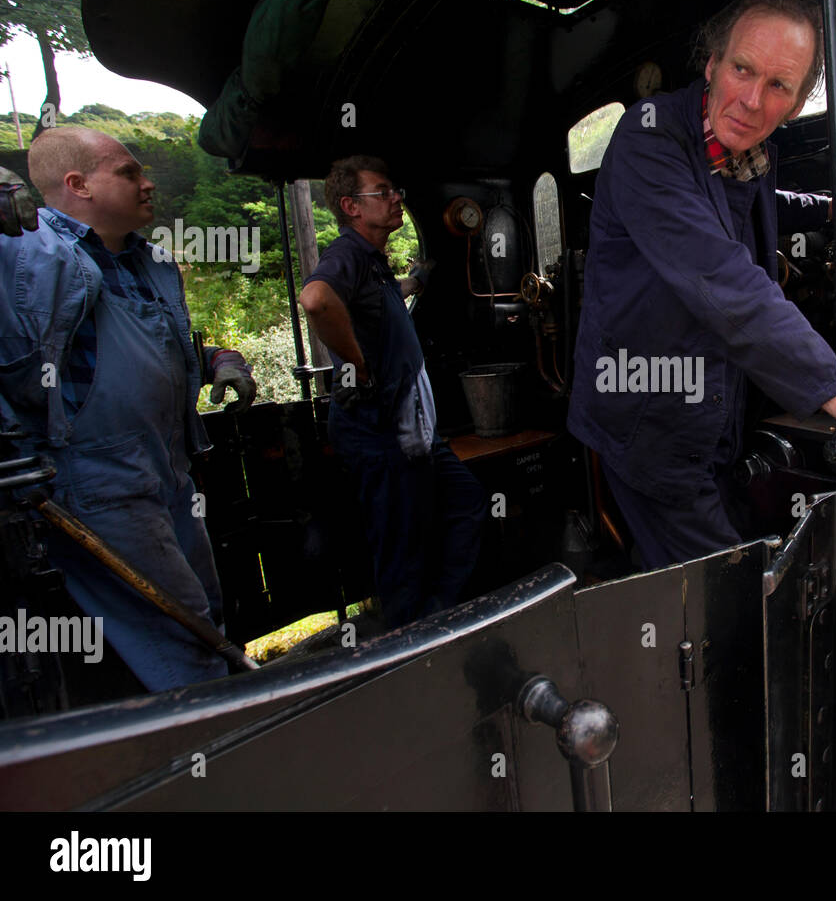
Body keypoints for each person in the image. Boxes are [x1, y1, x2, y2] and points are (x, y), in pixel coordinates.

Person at [568, 0, 836, 569]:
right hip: (649, 422)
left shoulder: (741, 149)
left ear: (797, 105)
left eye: (778, 85)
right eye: (742, 69)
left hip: (717, 409)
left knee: (735, 561)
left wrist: (832, 206)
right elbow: (724, 281)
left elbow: (759, 197)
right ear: (712, 64)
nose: (751, 100)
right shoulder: (649, 140)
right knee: (720, 599)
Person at [0, 128, 258, 691]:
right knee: (181, 636)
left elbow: (160, 342)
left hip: (167, 467)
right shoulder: (26, 256)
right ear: (77, 184)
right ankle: (209, 756)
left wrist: (217, 359)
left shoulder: (150, 261)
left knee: (206, 615)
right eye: (129, 173)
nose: (149, 182)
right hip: (97, 481)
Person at [300, 155, 486, 627]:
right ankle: (406, 649)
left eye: (395, 190)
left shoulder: (372, 263)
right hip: (379, 429)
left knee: (465, 503)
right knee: (402, 548)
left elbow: (378, 299)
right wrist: (358, 364)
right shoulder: (345, 254)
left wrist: (415, 280)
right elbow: (316, 300)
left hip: (411, 427)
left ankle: (436, 615)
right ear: (351, 206)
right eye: (382, 192)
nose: (396, 198)